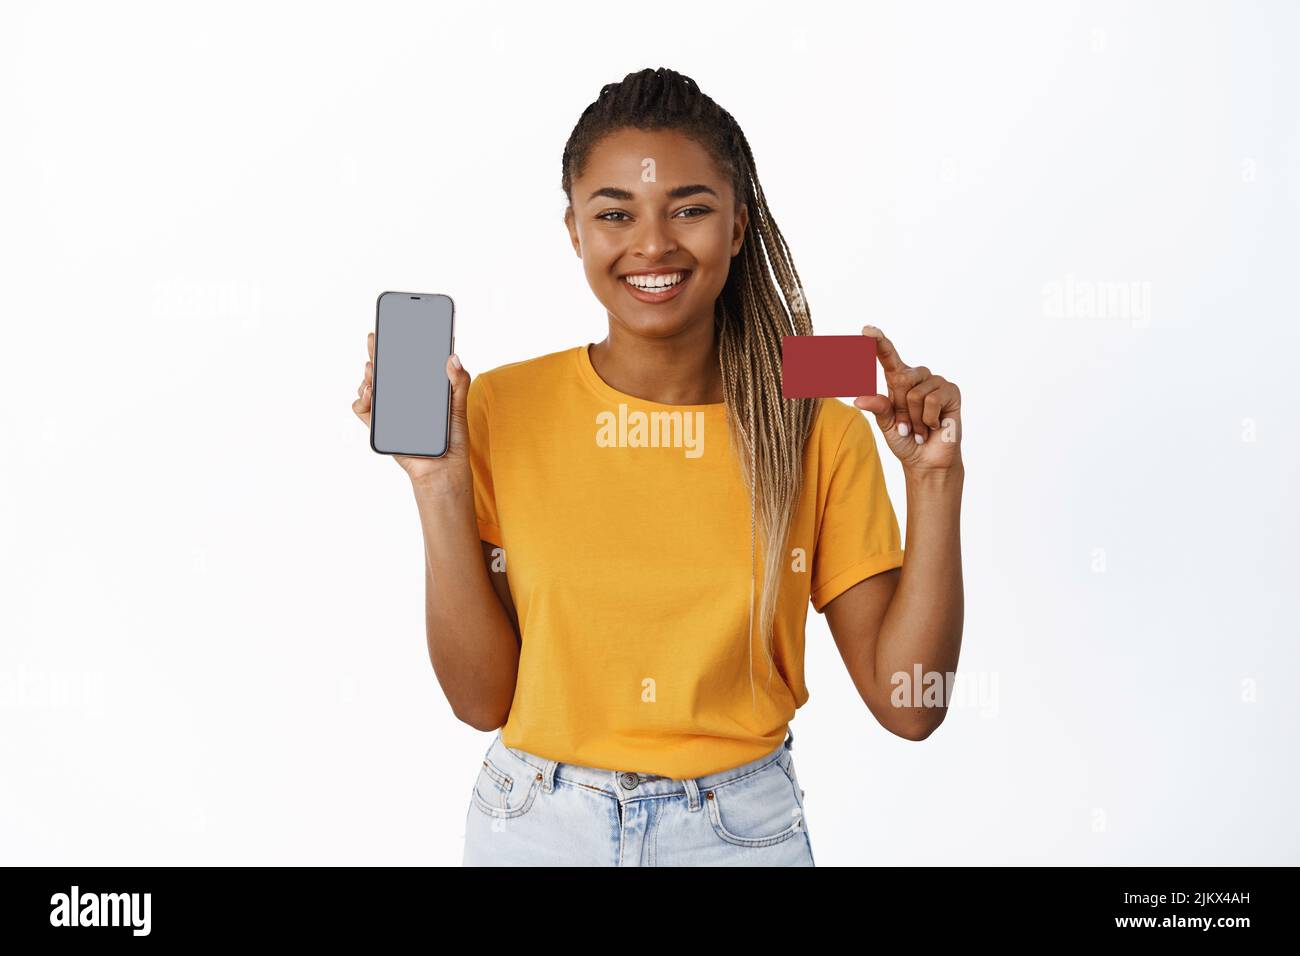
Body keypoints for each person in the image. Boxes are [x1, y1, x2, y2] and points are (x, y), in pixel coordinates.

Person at [351, 67, 964, 866]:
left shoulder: (815, 422)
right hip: (536, 828)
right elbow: (480, 700)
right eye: (615, 213)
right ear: (574, 231)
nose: (653, 244)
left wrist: (934, 482)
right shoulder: (501, 407)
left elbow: (909, 707)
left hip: (738, 835)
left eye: (690, 209)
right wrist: (437, 483)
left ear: (738, 227)